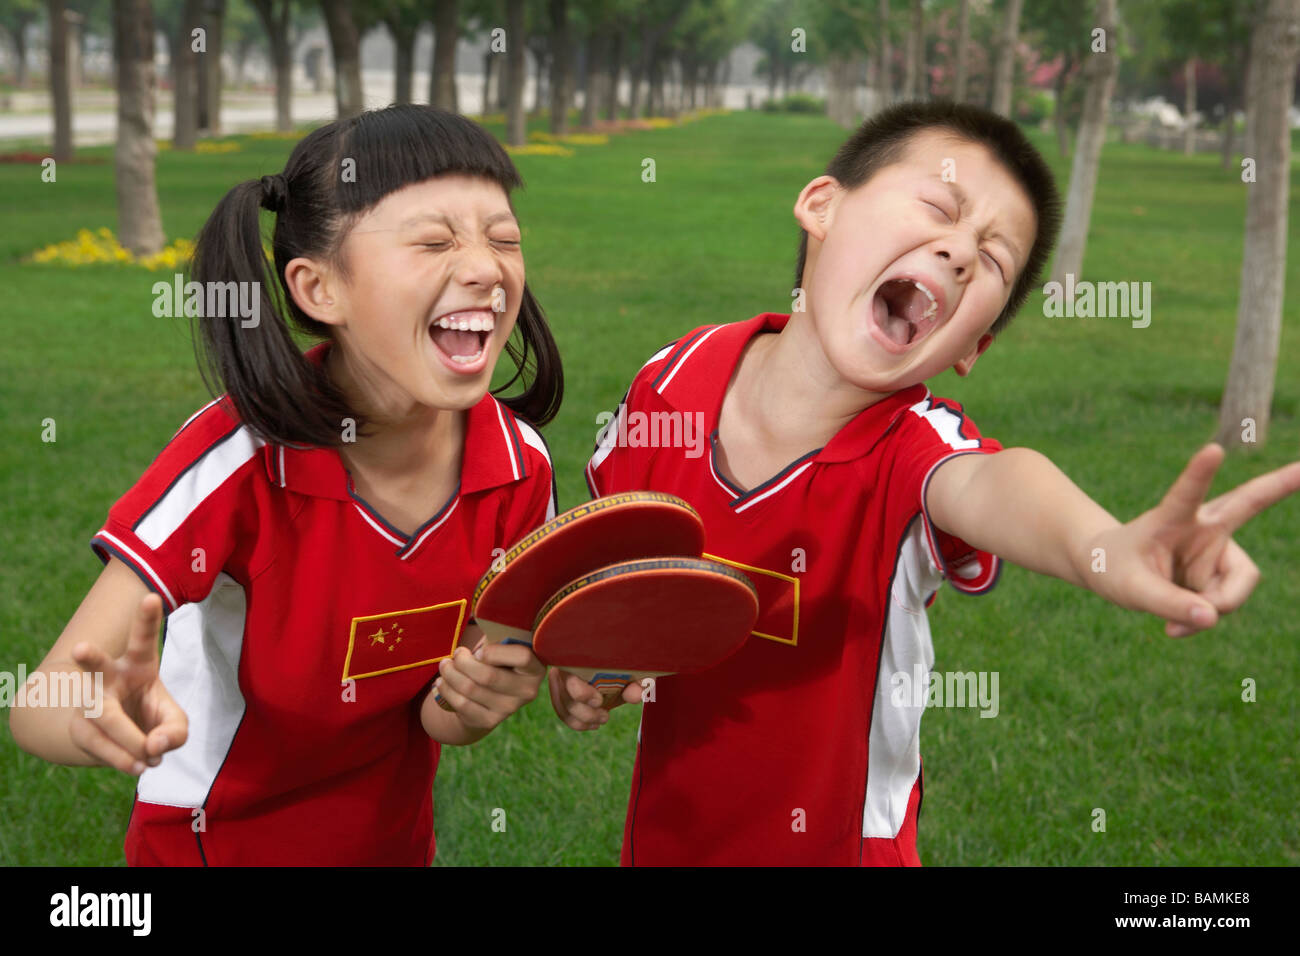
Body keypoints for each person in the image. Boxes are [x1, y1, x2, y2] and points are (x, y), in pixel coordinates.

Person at [554, 100, 1300, 866]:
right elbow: (620, 572)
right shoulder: (674, 379)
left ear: (973, 344)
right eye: (940, 207)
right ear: (822, 205)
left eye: (995, 259)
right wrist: (592, 669)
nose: (961, 252)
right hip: (664, 839)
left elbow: (997, 484)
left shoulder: (914, 452)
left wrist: (1103, 545)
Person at [9, 105, 563, 866]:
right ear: (318, 289)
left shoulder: (519, 468)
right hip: (216, 842)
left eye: (505, 238)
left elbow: (446, 712)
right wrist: (101, 715)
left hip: (392, 841)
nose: (486, 267)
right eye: (434, 241)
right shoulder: (238, 459)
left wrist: (471, 705)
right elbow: (40, 703)